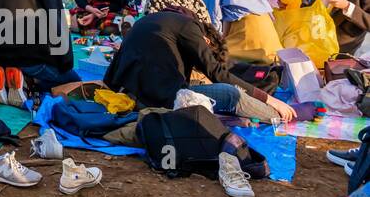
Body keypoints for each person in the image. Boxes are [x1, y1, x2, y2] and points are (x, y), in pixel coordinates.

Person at [104, 8, 294, 124]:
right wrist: (270, 100)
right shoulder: (190, 28)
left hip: (130, 90)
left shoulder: (162, 21)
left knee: (203, 90)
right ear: (207, 41)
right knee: (230, 93)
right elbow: (218, 74)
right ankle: (279, 115)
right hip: (157, 96)